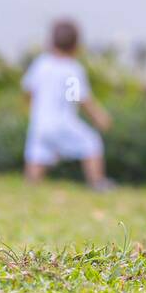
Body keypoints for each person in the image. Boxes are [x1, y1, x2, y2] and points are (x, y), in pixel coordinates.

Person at [21, 19, 113, 190]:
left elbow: (29, 90)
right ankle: (97, 182)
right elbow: (80, 98)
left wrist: (29, 109)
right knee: (91, 142)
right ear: (76, 46)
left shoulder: (41, 63)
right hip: (61, 121)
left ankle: (30, 186)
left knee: (38, 153)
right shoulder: (72, 69)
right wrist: (99, 117)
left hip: (40, 122)